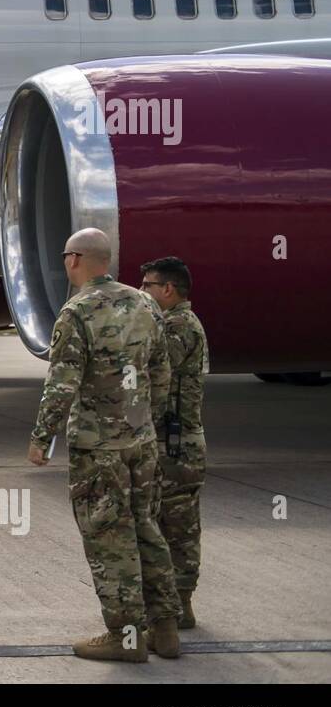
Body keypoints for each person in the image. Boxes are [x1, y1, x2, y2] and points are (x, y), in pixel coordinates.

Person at [27, 228, 183, 662]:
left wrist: (42, 438)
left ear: (74, 259)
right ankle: (165, 630)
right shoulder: (144, 301)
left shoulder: (77, 312)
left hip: (99, 448)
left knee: (108, 538)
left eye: (64, 256)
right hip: (141, 441)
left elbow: (62, 384)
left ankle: (126, 637)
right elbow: (161, 371)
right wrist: (143, 421)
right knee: (148, 529)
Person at [140, 256, 209, 629]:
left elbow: (151, 367)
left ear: (168, 289)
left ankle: (180, 604)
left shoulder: (179, 326)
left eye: (148, 285)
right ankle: (170, 604)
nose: (142, 291)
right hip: (172, 443)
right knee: (168, 523)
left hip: (177, 446)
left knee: (179, 526)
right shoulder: (174, 323)